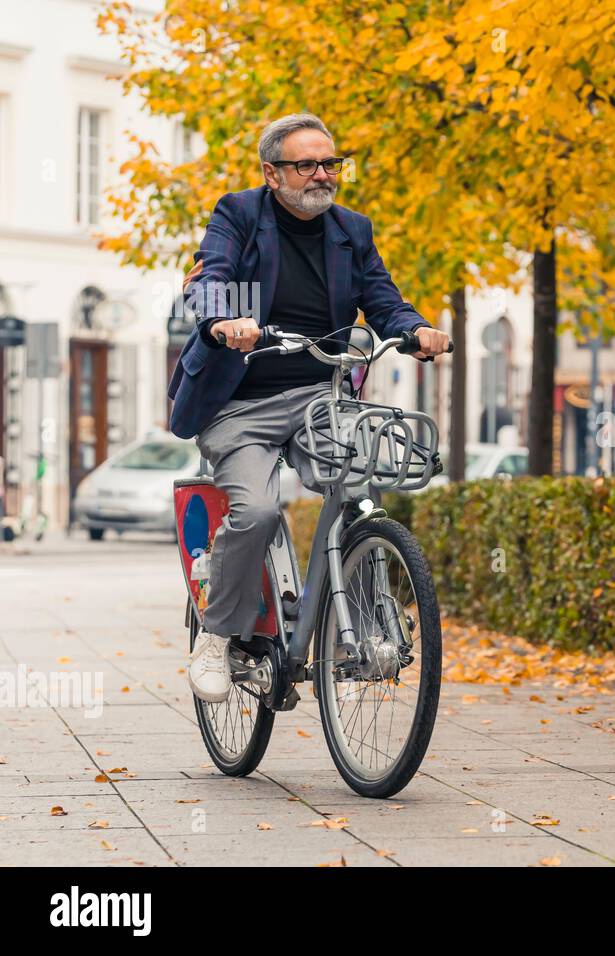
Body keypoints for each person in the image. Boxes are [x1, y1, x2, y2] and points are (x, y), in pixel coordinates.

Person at [168, 112, 451, 702]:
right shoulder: (239, 215)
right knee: (259, 512)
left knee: (358, 487)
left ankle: (354, 612)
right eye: (308, 164)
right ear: (272, 174)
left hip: (321, 396)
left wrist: (416, 327)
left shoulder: (352, 228)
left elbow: (382, 297)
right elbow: (209, 277)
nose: (324, 174)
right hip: (239, 403)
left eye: (331, 163)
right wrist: (225, 320)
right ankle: (218, 636)